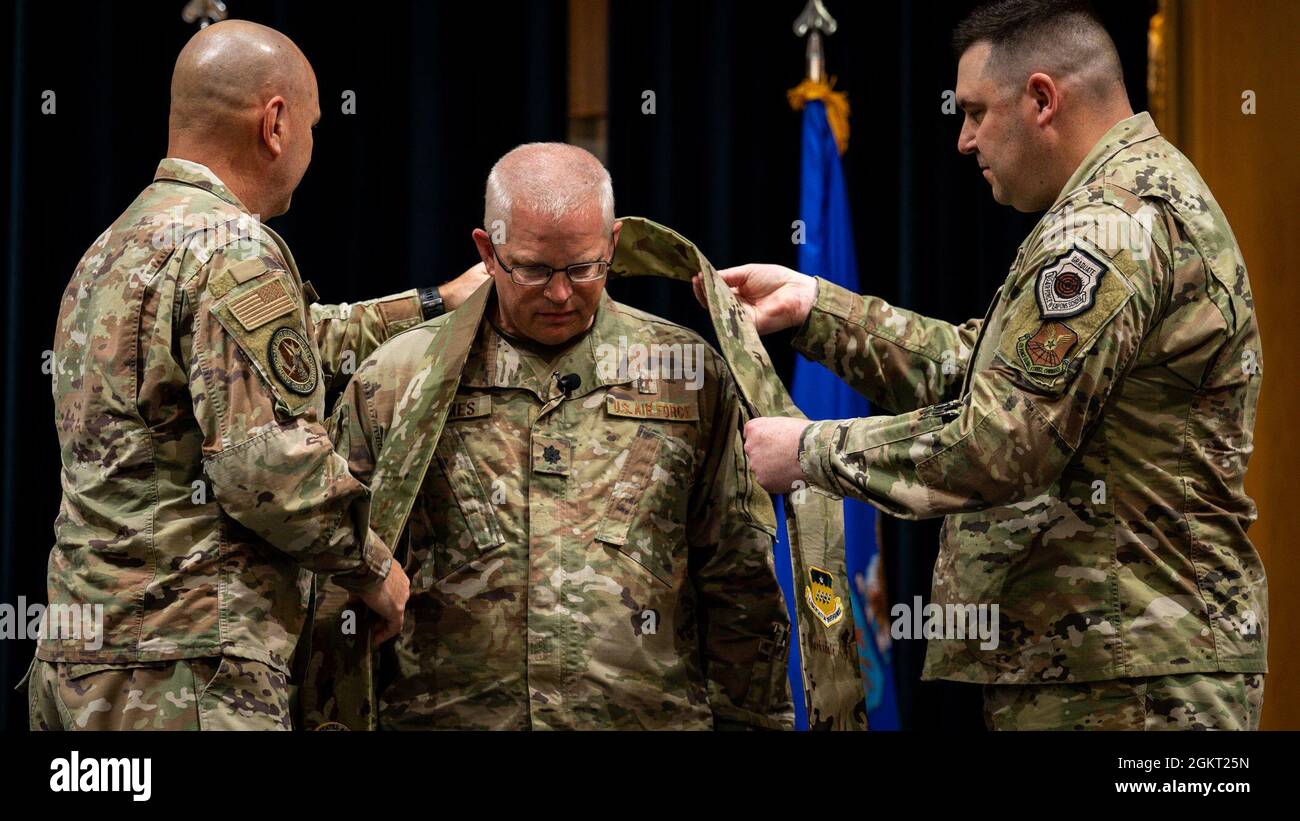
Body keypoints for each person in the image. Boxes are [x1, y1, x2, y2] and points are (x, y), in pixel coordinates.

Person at [720, 0, 1266, 730]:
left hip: (1130, 681)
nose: (963, 139)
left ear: (1042, 98)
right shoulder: (1126, 202)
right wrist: (816, 308)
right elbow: (984, 371)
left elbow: (1000, 442)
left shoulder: (1107, 228)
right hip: (1115, 662)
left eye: (975, 111)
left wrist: (811, 450)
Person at [29, 20, 485, 730]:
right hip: (186, 674)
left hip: (82, 664)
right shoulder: (234, 248)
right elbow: (264, 465)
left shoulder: (111, 247)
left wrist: (434, 302)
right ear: (275, 123)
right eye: (312, 124)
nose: (311, 144)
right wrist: (373, 569)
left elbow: (282, 348)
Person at [334, 143, 794, 729]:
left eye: (583, 268)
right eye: (531, 268)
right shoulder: (398, 378)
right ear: (487, 250)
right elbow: (336, 574)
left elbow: (738, 579)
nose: (559, 293)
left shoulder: (686, 373)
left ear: (613, 246)